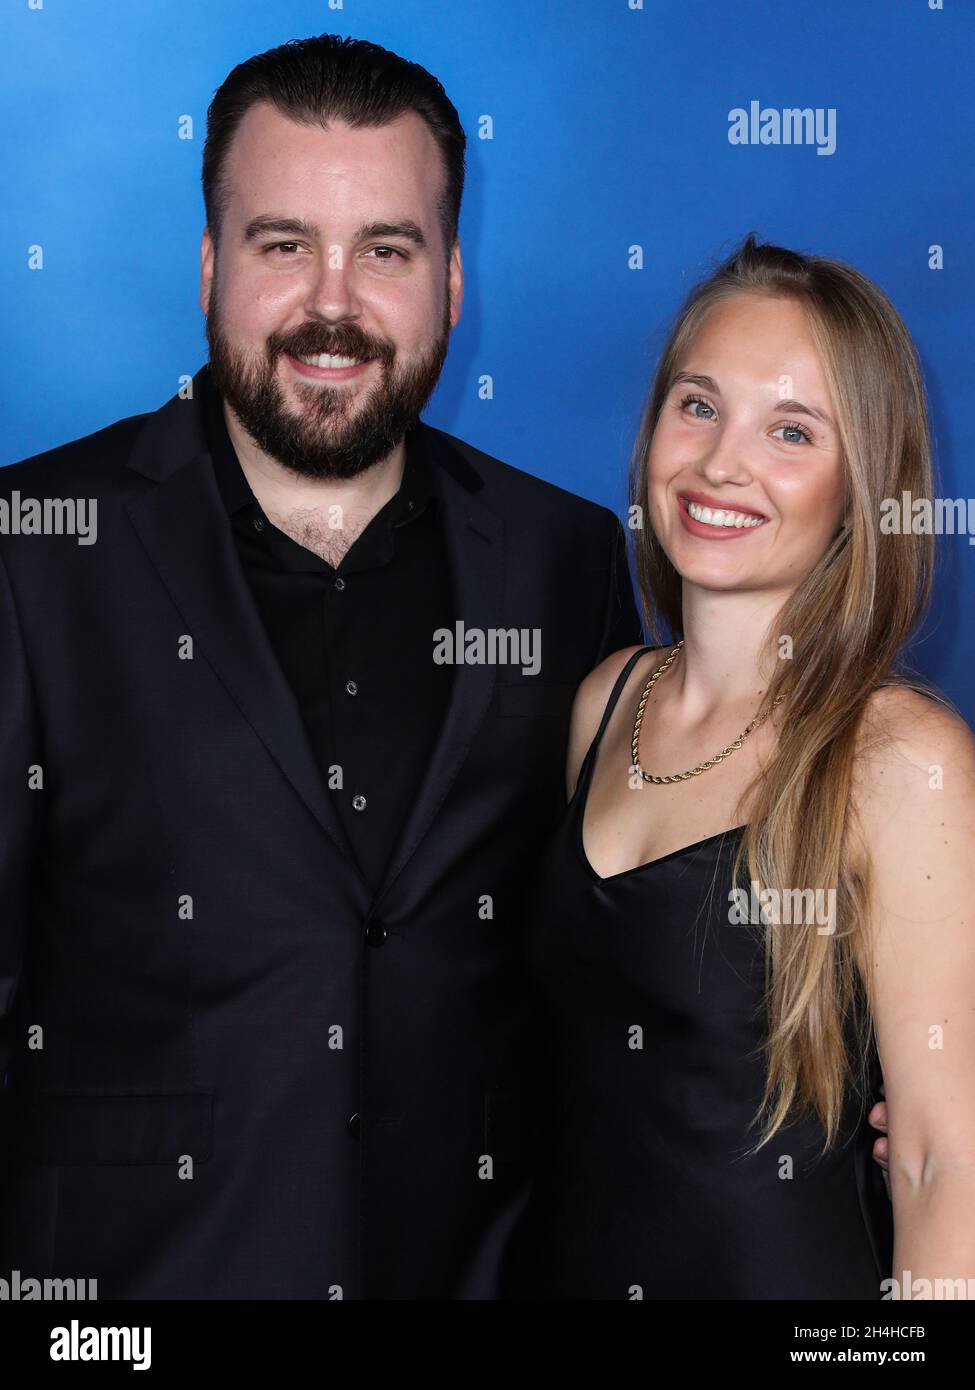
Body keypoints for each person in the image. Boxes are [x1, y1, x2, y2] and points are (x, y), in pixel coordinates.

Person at [0, 33, 641, 1299]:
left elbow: (603, 962)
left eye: (385, 250)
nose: (332, 302)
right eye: (283, 243)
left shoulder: (566, 557)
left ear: (452, 281)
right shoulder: (33, 548)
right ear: (208, 267)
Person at [506, 235, 975, 1299]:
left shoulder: (899, 757)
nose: (722, 464)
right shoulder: (606, 701)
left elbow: (949, 1165)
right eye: (700, 405)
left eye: (793, 430)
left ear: (861, 491)